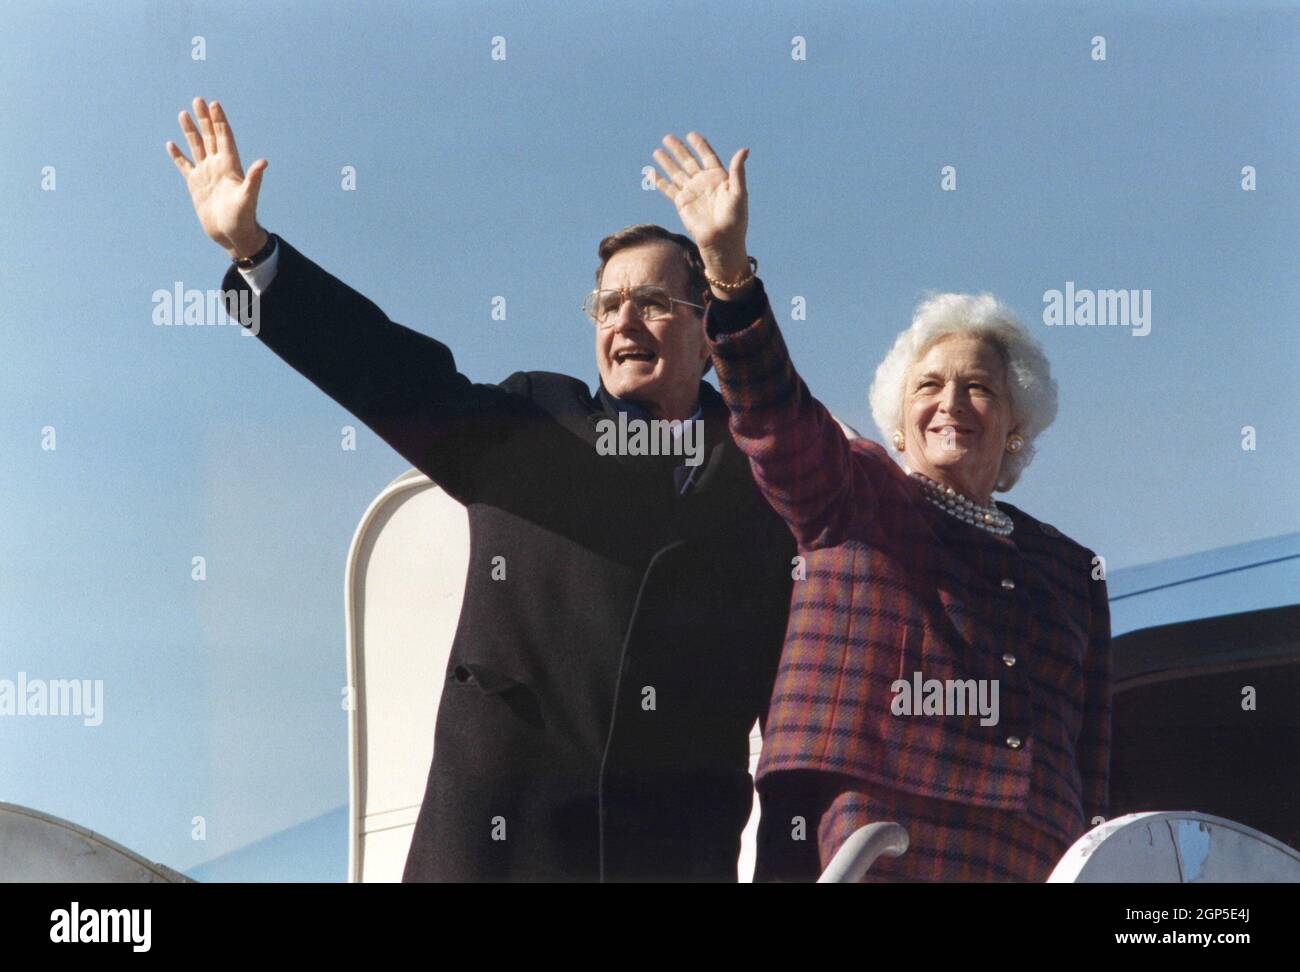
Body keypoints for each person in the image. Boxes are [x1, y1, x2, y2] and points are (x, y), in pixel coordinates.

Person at [165, 100, 796, 881]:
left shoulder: (770, 481)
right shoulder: (538, 422)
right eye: (607, 304)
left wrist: (734, 275)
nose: (623, 319)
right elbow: (391, 372)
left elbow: (801, 721)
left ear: (709, 334)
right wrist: (258, 256)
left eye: (655, 302)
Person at [650, 132, 1112, 882]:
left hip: (1027, 849)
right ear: (898, 419)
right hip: (870, 818)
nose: (952, 403)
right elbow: (773, 418)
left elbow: (1093, 757)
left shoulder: (1072, 567)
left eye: (980, 388)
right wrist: (729, 275)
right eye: (928, 386)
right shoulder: (855, 489)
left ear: (1015, 423)